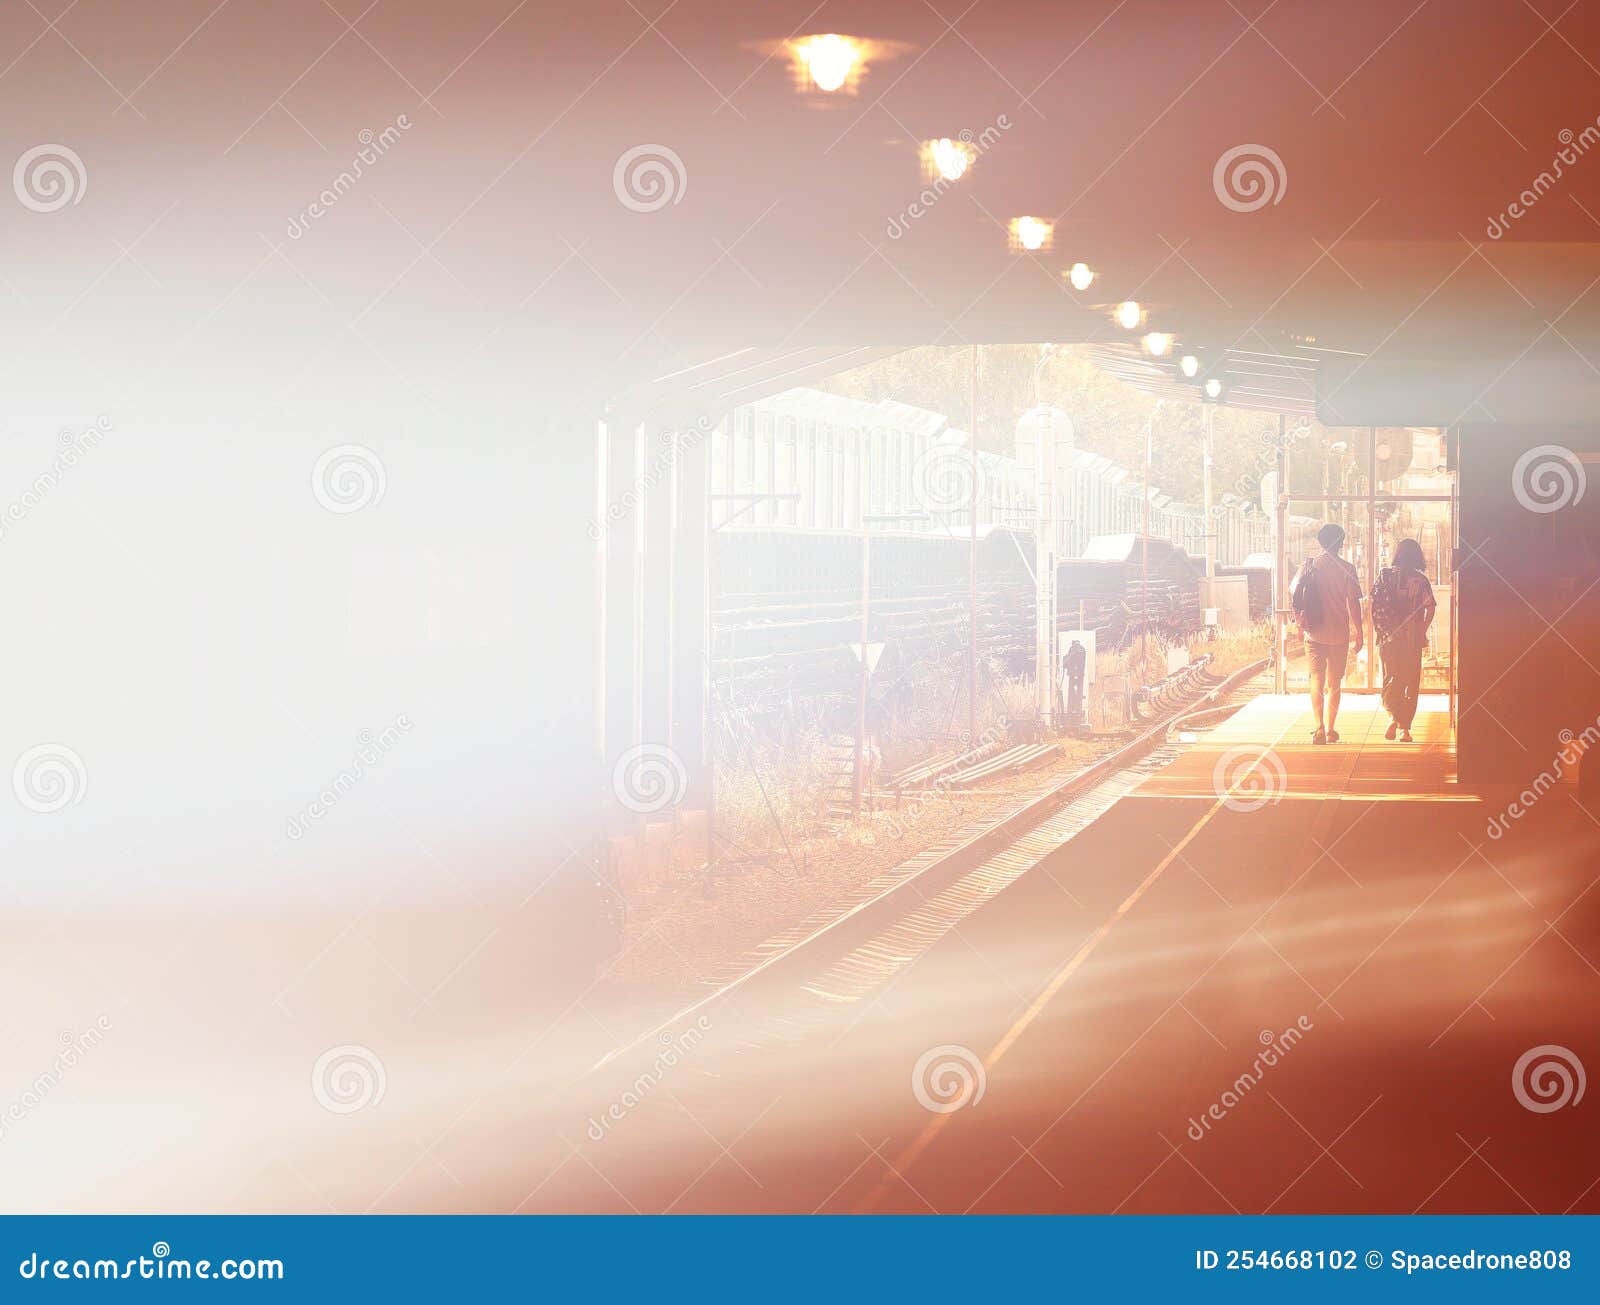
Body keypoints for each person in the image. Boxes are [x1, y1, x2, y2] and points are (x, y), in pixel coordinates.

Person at [1292, 522, 1364, 745]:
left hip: (1313, 633)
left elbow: (1295, 595)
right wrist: (1359, 632)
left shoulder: (1309, 565)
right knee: (1334, 683)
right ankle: (1331, 728)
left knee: (1316, 679)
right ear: (1341, 543)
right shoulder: (1348, 569)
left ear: (1320, 542)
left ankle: (1318, 727)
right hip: (1339, 634)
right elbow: (1353, 603)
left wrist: (1299, 625)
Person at [1371, 537, 1436, 742]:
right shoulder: (1420, 580)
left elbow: (1375, 605)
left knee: (1391, 676)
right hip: (1412, 639)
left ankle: (1391, 716)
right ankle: (1405, 729)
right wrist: (1421, 629)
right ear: (1417, 556)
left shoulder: (1385, 576)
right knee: (1410, 679)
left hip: (1388, 637)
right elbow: (1431, 607)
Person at [1063, 639, 1087, 723]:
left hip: (1073, 674)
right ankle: (1077, 714)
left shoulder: (1073, 650)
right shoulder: (1082, 649)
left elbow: (1066, 662)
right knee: (1078, 694)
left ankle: (1071, 715)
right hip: (1080, 674)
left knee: (1071, 694)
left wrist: (1067, 661)